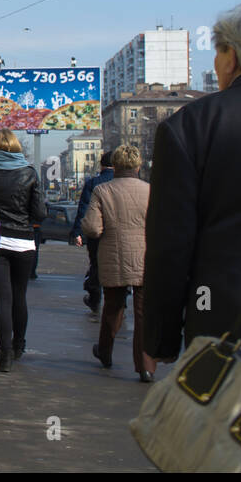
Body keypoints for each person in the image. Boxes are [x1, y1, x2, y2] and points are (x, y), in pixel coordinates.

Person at [145, 0, 241, 360]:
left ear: (232, 58)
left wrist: (160, 340)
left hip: (224, 329)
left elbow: (170, 245)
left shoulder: (189, 128)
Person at [0, 130, 46, 372]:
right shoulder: (29, 173)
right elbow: (40, 214)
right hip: (24, 243)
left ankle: (4, 356)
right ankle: (19, 345)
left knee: (2, 300)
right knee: (20, 296)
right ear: (16, 146)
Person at [84, 144, 151, 381]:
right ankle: (145, 366)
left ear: (116, 165)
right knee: (144, 312)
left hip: (113, 256)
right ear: (138, 165)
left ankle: (105, 352)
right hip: (145, 257)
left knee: (113, 306)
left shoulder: (103, 191)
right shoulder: (150, 190)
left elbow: (92, 227)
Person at [73, 151, 115, 315]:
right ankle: (120, 302)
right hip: (117, 233)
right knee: (117, 265)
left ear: (102, 165)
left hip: (96, 234)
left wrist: (78, 232)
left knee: (96, 265)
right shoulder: (125, 182)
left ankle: (95, 299)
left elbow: (84, 209)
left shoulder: (93, 183)